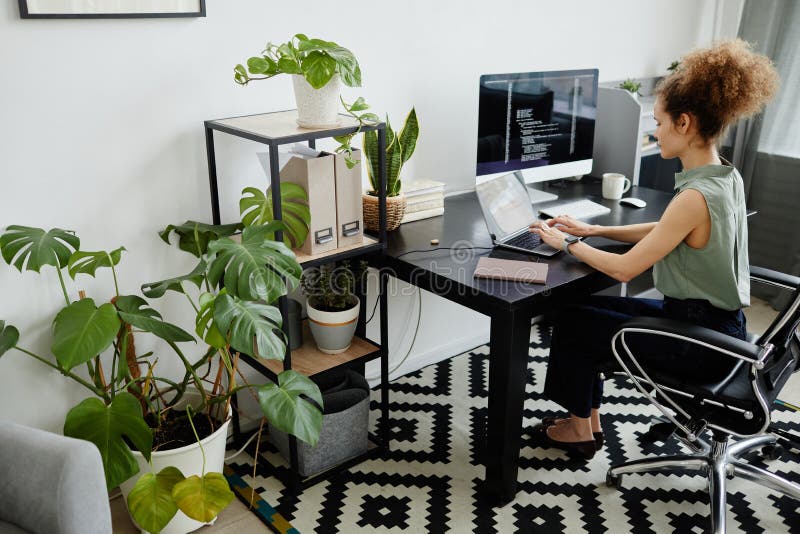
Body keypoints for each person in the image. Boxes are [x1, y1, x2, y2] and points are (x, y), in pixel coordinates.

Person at [528, 39, 779, 460]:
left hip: (699, 346)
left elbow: (625, 271)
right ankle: (584, 424)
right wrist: (590, 230)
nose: (654, 131)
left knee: (578, 327)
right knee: (576, 316)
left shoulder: (693, 197)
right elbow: (669, 230)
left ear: (684, 123)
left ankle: (579, 430)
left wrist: (567, 242)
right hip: (718, 328)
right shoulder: (723, 177)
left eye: (659, 123)